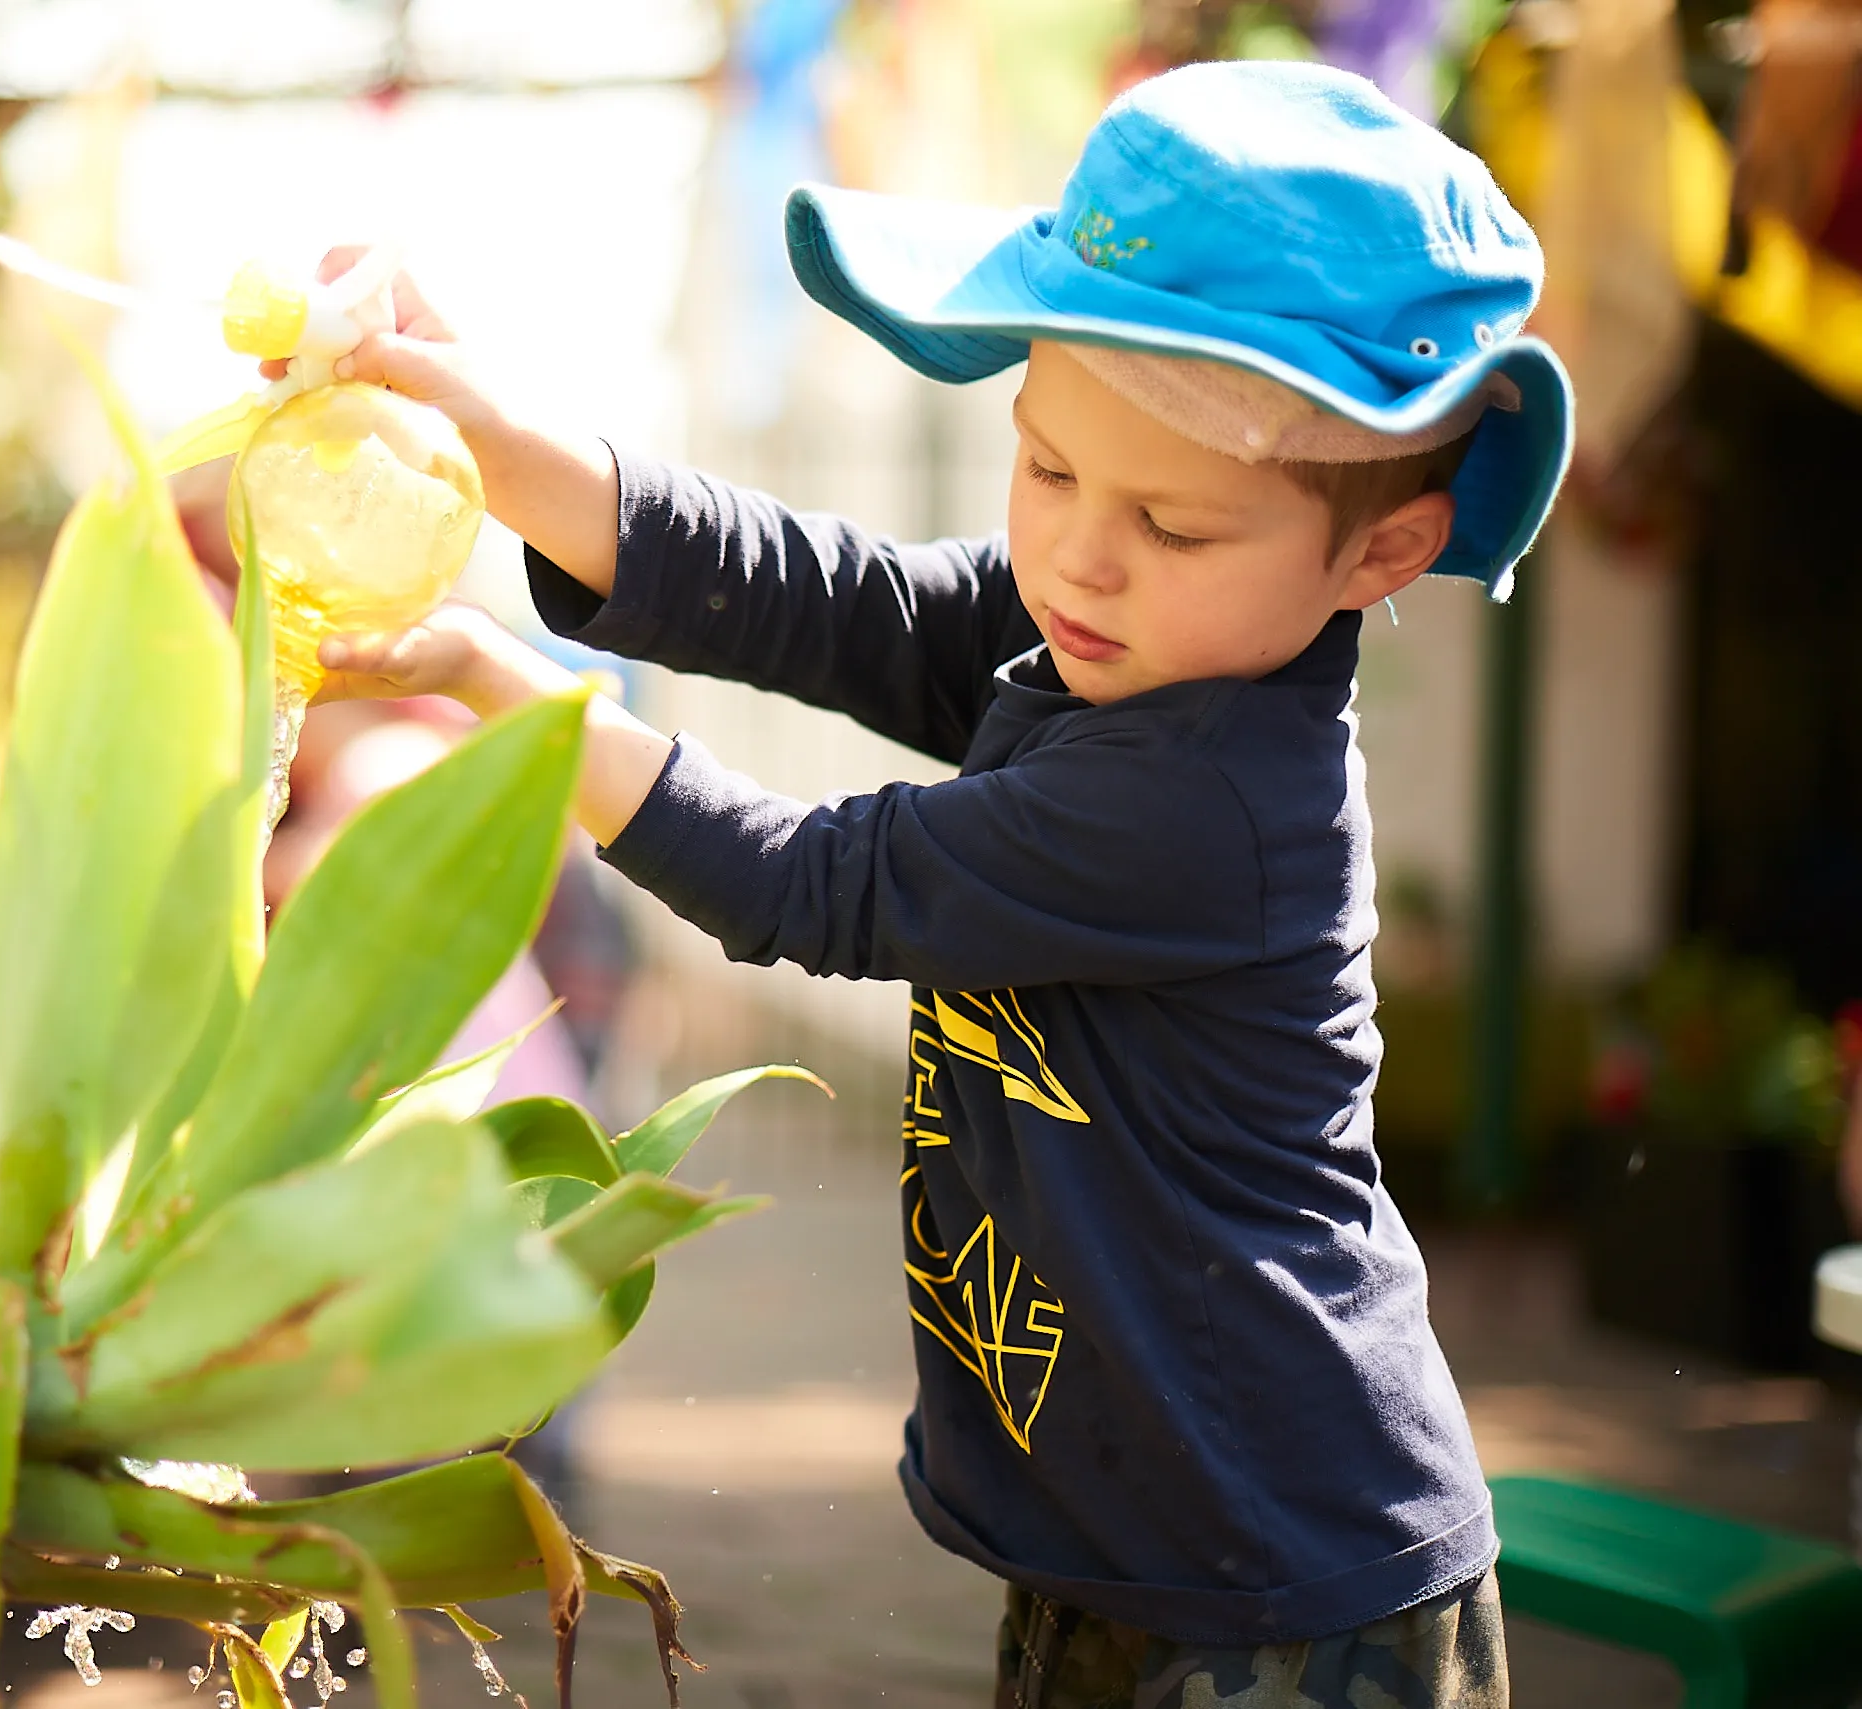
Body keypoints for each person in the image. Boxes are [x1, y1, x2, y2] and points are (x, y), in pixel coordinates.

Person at [285, 61, 1570, 1709]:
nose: (1083, 559)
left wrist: (494, 679)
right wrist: (486, 430)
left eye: (1173, 526)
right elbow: (819, 599)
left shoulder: (1209, 801)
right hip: (1127, 1533)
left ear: (1384, 551)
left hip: (1286, 1581)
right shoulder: (1114, 648)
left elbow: (814, 883)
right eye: (1044, 472)